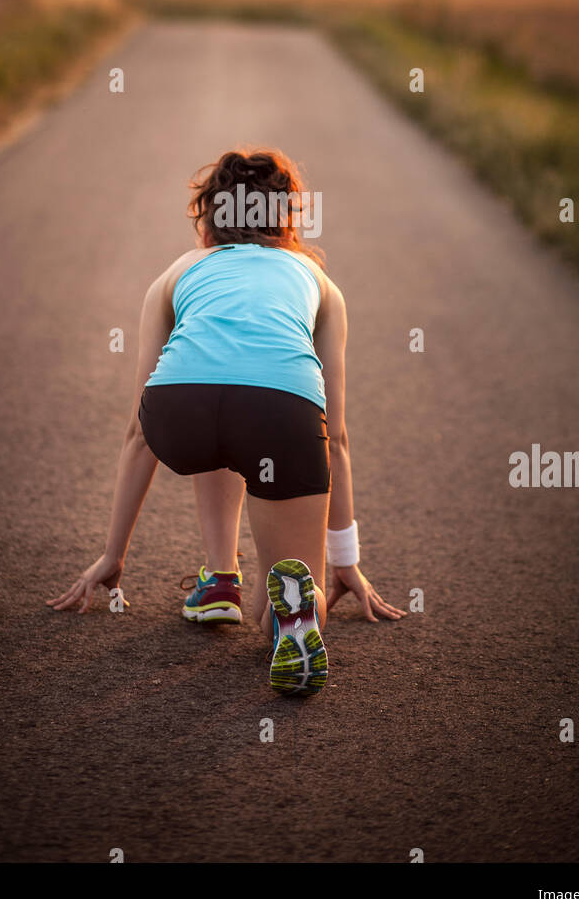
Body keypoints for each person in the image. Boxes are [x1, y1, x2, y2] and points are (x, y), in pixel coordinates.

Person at [48, 148, 403, 694]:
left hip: (179, 412)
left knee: (218, 426)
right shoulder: (318, 281)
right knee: (282, 600)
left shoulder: (178, 271)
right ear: (287, 216)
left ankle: (219, 579)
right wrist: (345, 561)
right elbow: (337, 439)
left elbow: (138, 434)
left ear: (210, 214)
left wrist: (113, 556)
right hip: (278, 418)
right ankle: (292, 611)